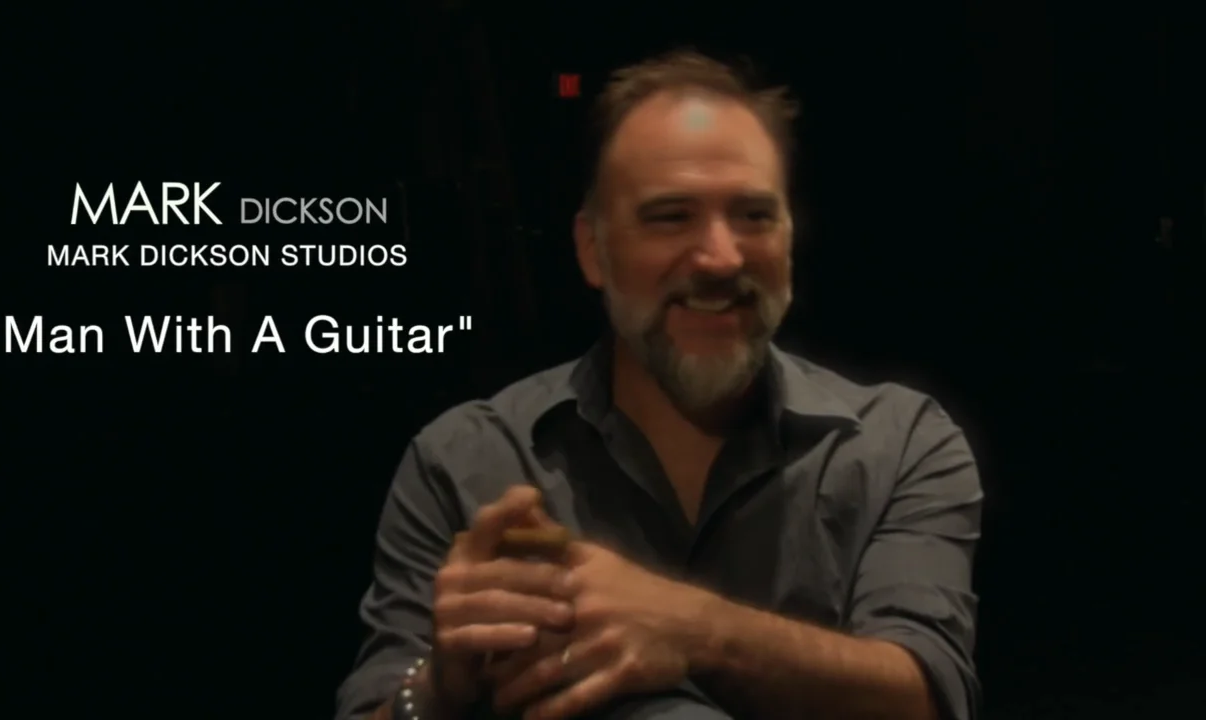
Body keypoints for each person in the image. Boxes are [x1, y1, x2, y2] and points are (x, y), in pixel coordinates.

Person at [336, 50, 981, 720]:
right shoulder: (465, 462)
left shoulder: (900, 445)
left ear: (790, 238)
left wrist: (691, 629)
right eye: (671, 216)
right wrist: (439, 689)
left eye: (754, 215)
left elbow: (929, 698)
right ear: (593, 249)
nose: (721, 258)